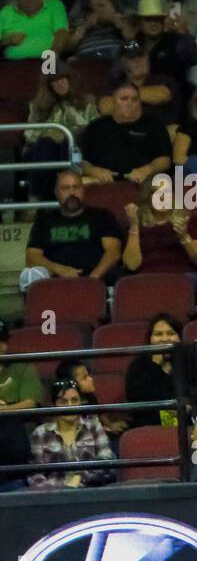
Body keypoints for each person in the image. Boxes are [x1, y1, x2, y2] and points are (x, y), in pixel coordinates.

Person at [24, 170, 123, 285]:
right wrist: (60, 270)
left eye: (76, 187)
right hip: (56, 278)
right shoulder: (44, 221)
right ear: (56, 192)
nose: (72, 193)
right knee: (30, 275)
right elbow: (32, 257)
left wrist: (94, 277)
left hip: (98, 278)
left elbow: (113, 252)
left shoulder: (102, 216)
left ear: (83, 190)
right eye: (65, 188)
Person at [21, 60, 99, 200]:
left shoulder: (88, 103)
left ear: (70, 80)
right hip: (41, 151)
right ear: (48, 85)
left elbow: (96, 130)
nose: (59, 84)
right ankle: (53, 197)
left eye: (63, 79)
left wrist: (68, 135)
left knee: (63, 145)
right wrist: (48, 133)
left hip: (77, 149)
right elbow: (28, 134)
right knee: (47, 145)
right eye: (54, 81)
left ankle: (37, 198)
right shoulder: (37, 106)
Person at [27, 379, 116, 489]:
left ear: (81, 402)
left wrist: (80, 477)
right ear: (54, 404)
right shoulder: (40, 433)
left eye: (74, 400)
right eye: (63, 402)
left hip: (90, 492)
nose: (70, 406)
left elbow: (106, 464)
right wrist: (61, 489)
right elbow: (35, 476)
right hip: (52, 497)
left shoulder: (93, 426)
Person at [79, 80, 171, 184]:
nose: (129, 103)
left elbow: (164, 160)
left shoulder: (154, 124)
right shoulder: (96, 126)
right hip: (101, 182)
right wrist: (94, 171)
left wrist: (147, 170)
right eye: (124, 99)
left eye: (134, 99)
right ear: (113, 101)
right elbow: (82, 161)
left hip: (143, 181)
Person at [121, 176, 197, 275]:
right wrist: (134, 227)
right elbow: (131, 265)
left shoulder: (189, 221)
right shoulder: (137, 224)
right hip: (147, 279)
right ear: (148, 198)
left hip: (183, 276)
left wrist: (184, 237)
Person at [0, 319, 42, 488]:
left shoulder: (22, 365)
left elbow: (31, 403)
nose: (0, 346)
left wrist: (3, 409)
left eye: (2, 341)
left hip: (15, 433)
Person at [124, 312, 185, 428]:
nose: (165, 339)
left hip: (188, 425)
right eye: (158, 334)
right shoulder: (138, 366)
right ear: (150, 338)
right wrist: (156, 366)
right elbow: (137, 403)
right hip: (149, 427)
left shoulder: (191, 360)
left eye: (171, 333)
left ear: (180, 337)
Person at [1, 0, 70, 61]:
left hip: (48, 61)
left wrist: (54, 53)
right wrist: (7, 40)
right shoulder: (6, 12)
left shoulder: (54, 5)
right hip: (12, 65)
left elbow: (62, 33)